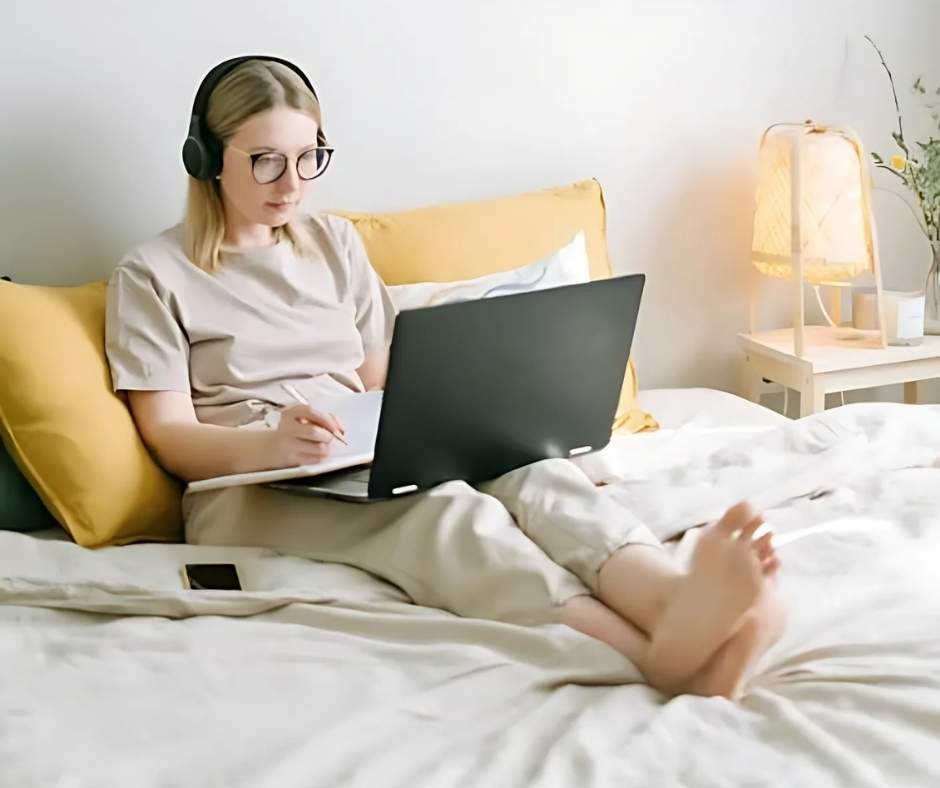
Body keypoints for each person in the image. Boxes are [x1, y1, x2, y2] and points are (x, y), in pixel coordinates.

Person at [104, 56, 785, 700]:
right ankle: (648, 657)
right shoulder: (153, 275)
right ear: (206, 159)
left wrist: (461, 417)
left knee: (535, 471)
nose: (293, 184)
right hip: (243, 486)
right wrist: (271, 446)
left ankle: (672, 601)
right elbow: (169, 435)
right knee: (448, 514)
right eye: (267, 161)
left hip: (350, 447)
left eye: (309, 157)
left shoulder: (333, 243)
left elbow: (379, 381)